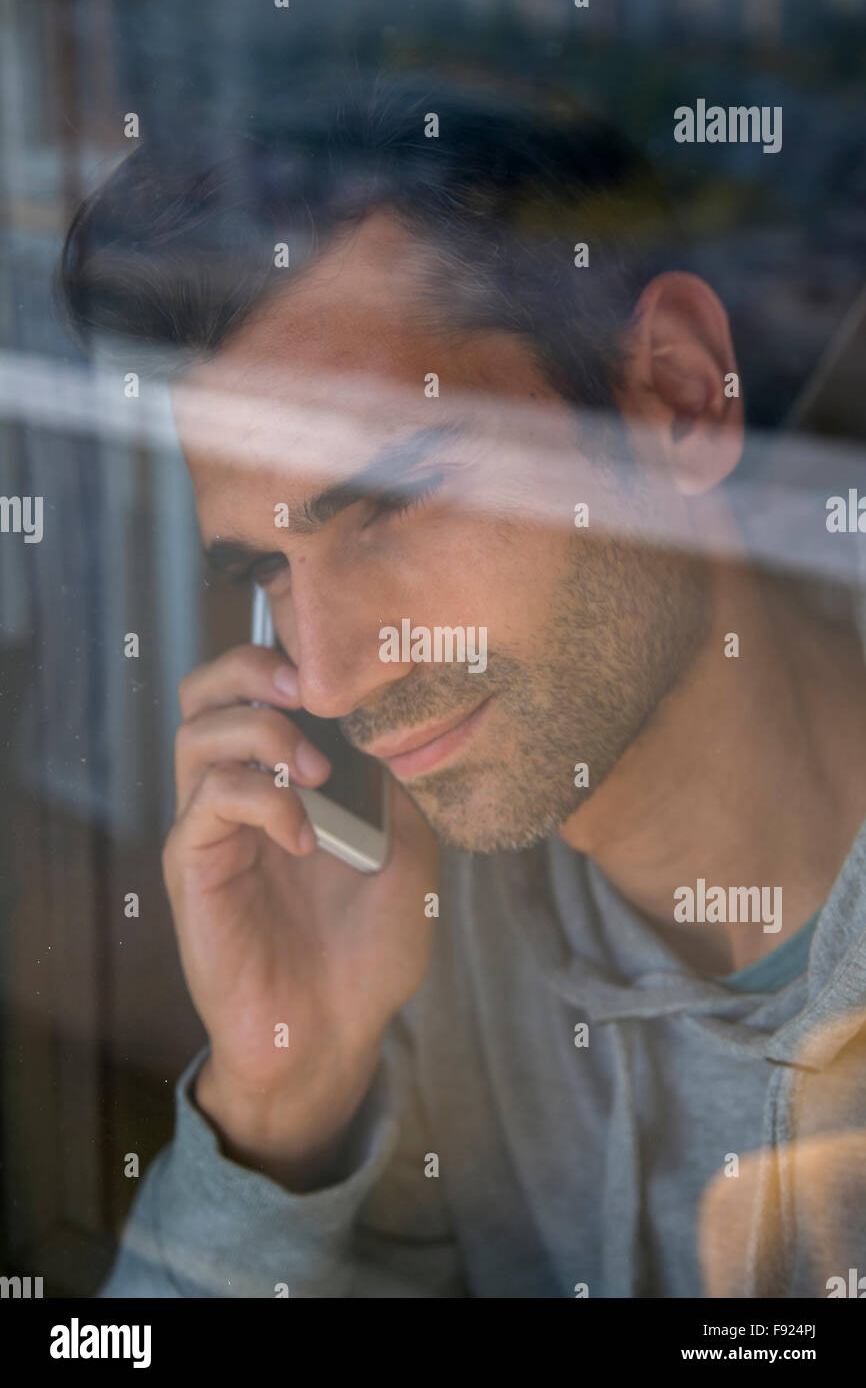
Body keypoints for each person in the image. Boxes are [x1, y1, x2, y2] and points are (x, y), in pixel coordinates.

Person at [59, 72, 866, 1298]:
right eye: (267, 567)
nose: (328, 673)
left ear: (681, 398)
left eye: (391, 501)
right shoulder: (419, 936)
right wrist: (282, 1101)